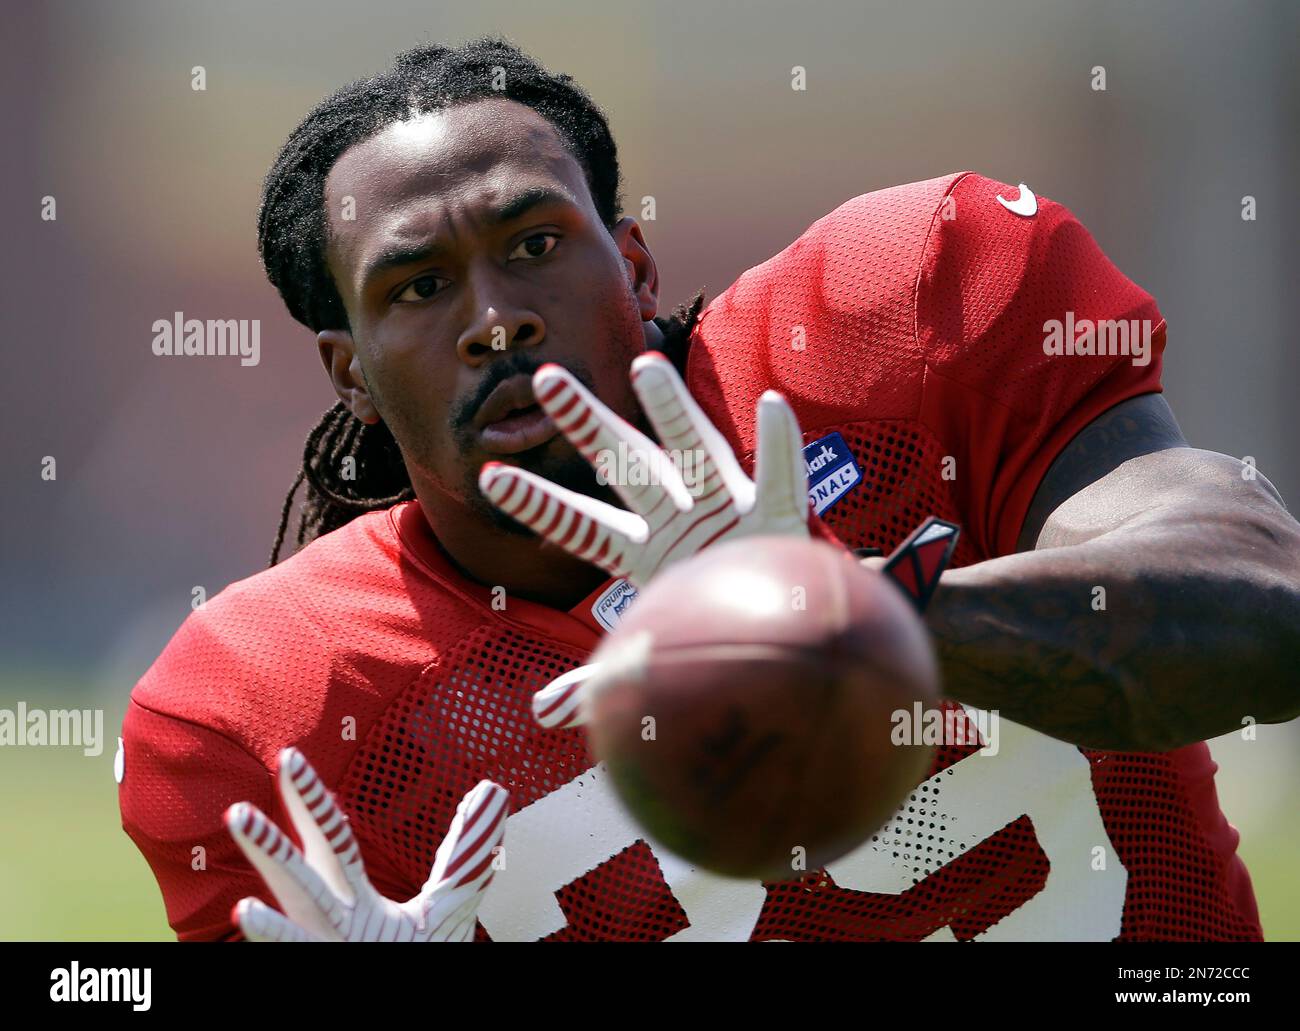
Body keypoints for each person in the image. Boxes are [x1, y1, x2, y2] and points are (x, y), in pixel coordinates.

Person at [119, 37, 1300, 941]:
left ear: (631, 264)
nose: (494, 319)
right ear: (352, 374)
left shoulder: (898, 319)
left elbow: (1267, 610)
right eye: (418, 287)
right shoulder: (263, 710)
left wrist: (859, 621)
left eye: (533, 242)